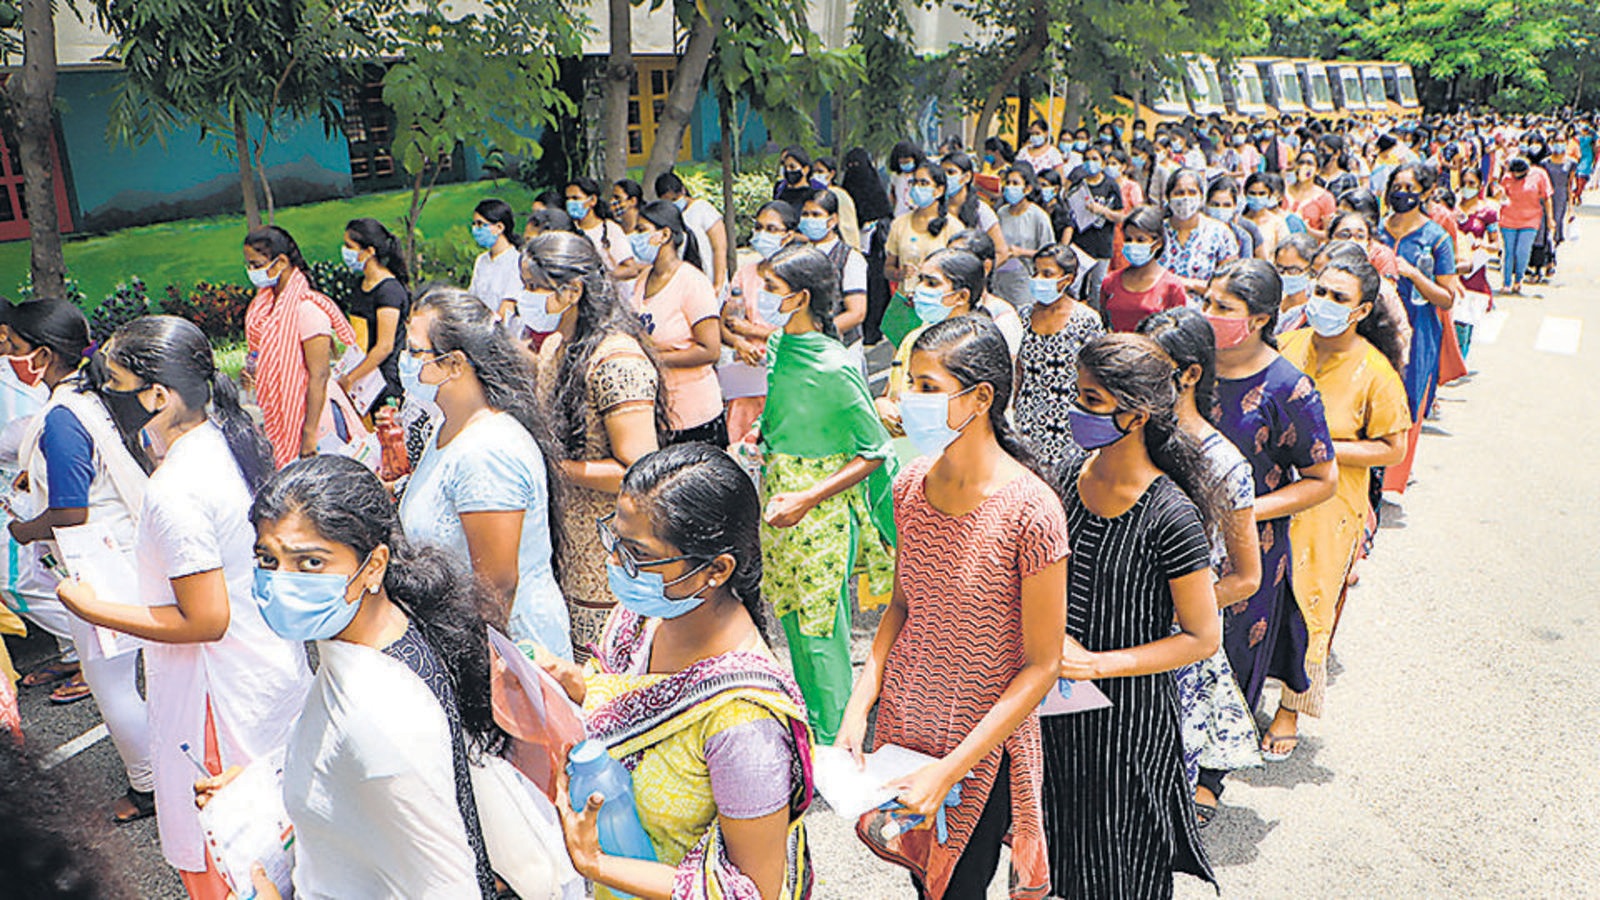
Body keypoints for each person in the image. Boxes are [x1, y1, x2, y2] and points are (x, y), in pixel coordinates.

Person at [60, 315, 309, 899]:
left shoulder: (178, 488)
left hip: (214, 698)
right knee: (280, 846)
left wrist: (94, 609)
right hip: (260, 670)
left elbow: (205, 618)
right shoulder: (226, 441)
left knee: (229, 858)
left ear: (158, 396)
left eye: (114, 386)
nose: (108, 401)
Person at [201, 455, 506, 899]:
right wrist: (266, 787)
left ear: (375, 564)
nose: (280, 582)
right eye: (267, 559)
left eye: (310, 564)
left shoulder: (382, 716)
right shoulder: (369, 639)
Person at [840, 316, 1065, 900]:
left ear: (982, 397)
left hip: (982, 747)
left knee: (959, 887)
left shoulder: (1031, 510)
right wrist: (860, 704)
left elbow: (1043, 665)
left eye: (926, 386)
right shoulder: (909, 484)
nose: (905, 401)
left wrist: (949, 770)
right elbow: (902, 605)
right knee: (922, 880)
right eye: (907, 382)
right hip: (906, 729)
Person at [547, 443, 815, 898]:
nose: (613, 564)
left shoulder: (743, 723)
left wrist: (596, 863)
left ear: (716, 570)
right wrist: (578, 686)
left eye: (636, 553)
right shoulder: (643, 619)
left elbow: (757, 890)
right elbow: (616, 693)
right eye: (615, 540)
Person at [1043, 332, 1223, 898]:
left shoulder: (1171, 515)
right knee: (1060, 859)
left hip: (1130, 725)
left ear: (1137, 415)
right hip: (1055, 714)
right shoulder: (1068, 476)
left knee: (1124, 869)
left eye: (1092, 400)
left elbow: (1201, 636)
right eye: (1079, 394)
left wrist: (1098, 664)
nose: (1077, 410)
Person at [6, 299, 154, 824]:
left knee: (110, 684)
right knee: (142, 677)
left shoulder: (63, 418)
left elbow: (71, 510)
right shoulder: (93, 397)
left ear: (42, 356)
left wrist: (24, 528)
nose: (9, 356)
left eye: (16, 348)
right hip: (128, 553)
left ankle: (148, 787)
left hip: (99, 567)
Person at [750, 245, 898, 745]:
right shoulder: (778, 348)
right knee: (791, 618)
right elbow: (787, 415)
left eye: (771, 288)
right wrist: (761, 434)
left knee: (821, 630)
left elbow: (874, 450)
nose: (762, 297)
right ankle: (814, 726)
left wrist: (808, 498)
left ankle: (837, 737)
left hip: (820, 515)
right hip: (779, 501)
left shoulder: (835, 365)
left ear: (802, 296)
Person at [1269, 251, 1410, 752]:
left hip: (1330, 505)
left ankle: (1291, 708)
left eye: (1338, 297)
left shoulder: (1375, 372)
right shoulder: (1287, 345)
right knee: (1260, 593)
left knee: (1310, 602)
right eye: (1320, 291)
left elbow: (1394, 447)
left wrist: (1326, 446)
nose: (1323, 303)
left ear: (1362, 309)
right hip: (1271, 494)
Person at [1202, 259, 1336, 765]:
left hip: (1248, 546)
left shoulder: (1289, 388)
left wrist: (1245, 510)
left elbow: (1322, 480)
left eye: (1223, 308)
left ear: (1258, 319)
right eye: (1208, 302)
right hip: (1184, 535)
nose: (1209, 314)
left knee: (1232, 651)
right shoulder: (1194, 368)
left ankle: (1211, 773)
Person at [1135, 308, 1263, 826]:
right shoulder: (1123, 442)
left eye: (1151, 370)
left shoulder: (1224, 463)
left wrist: (1181, 609)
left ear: (1188, 375)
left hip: (1176, 644)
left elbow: (1245, 576)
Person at [398, 287, 570, 658]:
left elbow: (496, 589)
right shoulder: (447, 427)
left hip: (504, 654)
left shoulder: (488, 451)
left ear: (455, 364)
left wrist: (476, 676)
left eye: (415, 352)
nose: (405, 362)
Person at [521, 233, 666, 662]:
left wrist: (553, 467)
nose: (526, 298)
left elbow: (638, 471)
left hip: (608, 553)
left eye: (534, 287)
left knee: (610, 676)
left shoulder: (616, 360)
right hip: (566, 545)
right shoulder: (553, 347)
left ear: (573, 290)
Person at [242, 226, 359, 466]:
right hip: (284, 418)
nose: (251, 271)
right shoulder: (264, 307)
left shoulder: (308, 309)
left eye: (255, 264)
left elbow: (319, 375)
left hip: (316, 420)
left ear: (281, 261)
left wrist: (309, 434)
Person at [1380, 163, 1461, 492]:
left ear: (1426, 193)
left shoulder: (1436, 238)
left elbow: (1446, 297)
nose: (1402, 194)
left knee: (1406, 399)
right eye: (1397, 186)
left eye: (1410, 188)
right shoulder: (1376, 229)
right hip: (1374, 324)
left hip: (1418, 328)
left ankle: (1393, 477)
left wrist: (1414, 275)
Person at [630, 200, 727, 447]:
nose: (634, 237)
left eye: (641, 230)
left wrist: (655, 358)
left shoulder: (692, 282)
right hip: (657, 412)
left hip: (694, 416)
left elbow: (710, 350)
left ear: (664, 235)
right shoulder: (643, 279)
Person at [1013, 244, 1106, 467]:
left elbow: (1097, 372)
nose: (1038, 279)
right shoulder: (1023, 316)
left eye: (1047, 274)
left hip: (1068, 419)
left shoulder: (1085, 320)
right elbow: (1019, 369)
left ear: (1067, 279)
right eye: (1035, 272)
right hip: (1027, 417)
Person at [877, 249, 988, 434]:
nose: (920, 289)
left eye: (931, 283)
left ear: (961, 296)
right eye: (921, 280)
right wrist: (882, 404)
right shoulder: (913, 338)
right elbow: (891, 392)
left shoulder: (974, 347)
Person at [718, 201, 801, 443]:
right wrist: (739, 343)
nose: (763, 234)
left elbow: (801, 331)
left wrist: (752, 330)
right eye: (759, 227)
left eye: (772, 229)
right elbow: (725, 324)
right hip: (748, 376)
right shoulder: (745, 274)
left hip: (786, 371)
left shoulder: (797, 277)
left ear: (789, 235)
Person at [882, 163, 965, 347]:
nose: (917, 188)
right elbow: (888, 268)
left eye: (924, 183)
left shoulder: (952, 227)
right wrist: (899, 274)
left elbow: (961, 273)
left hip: (939, 309)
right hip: (908, 308)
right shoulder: (900, 224)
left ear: (939, 190)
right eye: (914, 183)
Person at [338, 218, 409, 416]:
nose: (345, 251)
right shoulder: (359, 284)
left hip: (382, 382)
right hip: (361, 379)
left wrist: (351, 378)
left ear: (369, 251)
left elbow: (384, 346)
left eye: (349, 246)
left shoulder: (389, 291)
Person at [800, 190, 871, 367]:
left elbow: (857, 312)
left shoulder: (850, 258)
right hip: (803, 350)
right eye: (805, 214)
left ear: (833, 220)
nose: (810, 219)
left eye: (816, 215)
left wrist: (818, 333)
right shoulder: (798, 255)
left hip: (842, 350)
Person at [1100, 205, 1189, 332]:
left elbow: (1179, 333)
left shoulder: (1172, 287)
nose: (1133, 245)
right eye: (1129, 239)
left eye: (1141, 240)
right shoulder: (1110, 282)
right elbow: (1104, 322)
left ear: (1157, 243)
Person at [945, 230, 1027, 355]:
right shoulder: (941, 307)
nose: (950, 268)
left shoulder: (1002, 315)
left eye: (961, 261)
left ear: (986, 267)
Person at [1161, 169, 1241, 298]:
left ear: (1201, 197)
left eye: (1192, 192)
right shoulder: (1156, 232)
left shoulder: (1220, 233)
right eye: (1179, 193)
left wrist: (1190, 284)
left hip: (1203, 311)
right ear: (1168, 197)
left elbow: (1229, 284)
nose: (1186, 198)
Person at [993, 165, 1057, 306]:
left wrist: (1022, 252)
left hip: (1025, 280)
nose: (1010, 187)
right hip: (1000, 278)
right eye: (1008, 183)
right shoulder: (1001, 213)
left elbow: (1050, 253)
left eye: (1015, 183)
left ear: (1027, 189)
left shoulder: (1038, 216)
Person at [655, 171, 730, 290]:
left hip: (710, 278)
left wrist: (718, 283)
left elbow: (719, 248)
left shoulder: (702, 209)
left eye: (675, 199)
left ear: (683, 191)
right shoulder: (668, 218)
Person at [566, 177, 645, 283]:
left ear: (592, 200)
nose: (570, 203)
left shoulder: (610, 230)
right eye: (568, 199)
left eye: (576, 198)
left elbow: (631, 269)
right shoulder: (568, 230)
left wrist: (601, 277)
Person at [1498, 153, 1554, 295]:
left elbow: (1547, 197)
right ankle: (1506, 282)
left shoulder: (1539, 175)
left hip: (1531, 219)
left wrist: (1550, 219)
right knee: (1509, 252)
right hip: (1509, 219)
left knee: (1522, 251)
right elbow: (1501, 194)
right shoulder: (1507, 177)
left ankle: (1518, 279)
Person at [1062, 143, 1126, 263]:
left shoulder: (1111, 186)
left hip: (1101, 245)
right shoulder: (1078, 184)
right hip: (1079, 244)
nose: (1090, 162)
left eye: (1095, 159)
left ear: (1102, 163)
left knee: (1098, 282)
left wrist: (1103, 210)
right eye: (1087, 159)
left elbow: (1120, 216)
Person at [467, 198, 527, 315]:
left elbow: (508, 307)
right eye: (474, 224)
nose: (475, 229)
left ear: (499, 227)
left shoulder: (517, 262)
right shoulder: (482, 260)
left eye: (480, 224)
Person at [810, 155, 863, 250]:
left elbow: (848, 225)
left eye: (820, 172)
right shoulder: (811, 193)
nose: (816, 175)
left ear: (831, 174)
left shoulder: (839, 195)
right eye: (814, 172)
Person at [1272, 232, 1320, 334]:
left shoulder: (1315, 308)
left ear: (1311, 269)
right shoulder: (1273, 297)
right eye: (1280, 269)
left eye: (1293, 270)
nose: (1285, 275)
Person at [1206, 176, 1260, 261]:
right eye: (1215, 205)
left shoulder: (1242, 237)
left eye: (1226, 205)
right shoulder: (1196, 232)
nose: (1221, 209)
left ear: (1235, 206)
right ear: (1207, 204)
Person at [1283, 151, 1336, 238]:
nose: (1304, 167)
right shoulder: (1283, 191)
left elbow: (1328, 235)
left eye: (1309, 164)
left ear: (1317, 170)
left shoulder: (1325, 198)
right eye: (1301, 163)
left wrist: (1307, 230)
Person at [1242, 172, 1294, 260]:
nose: (1257, 197)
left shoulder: (1277, 222)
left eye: (1262, 194)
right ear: (1245, 193)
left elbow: (1284, 251)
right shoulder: (1239, 221)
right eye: (1252, 193)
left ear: (1269, 195)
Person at [887, 141, 927, 218]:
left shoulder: (922, 173)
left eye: (907, 162)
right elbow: (893, 194)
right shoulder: (896, 176)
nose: (905, 165)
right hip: (900, 214)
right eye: (902, 162)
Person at [774, 145, 819, 210]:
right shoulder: (781, 192)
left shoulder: (814, 195)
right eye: (785, 167)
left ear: (806, 169)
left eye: (792, 167)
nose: (788, 170)